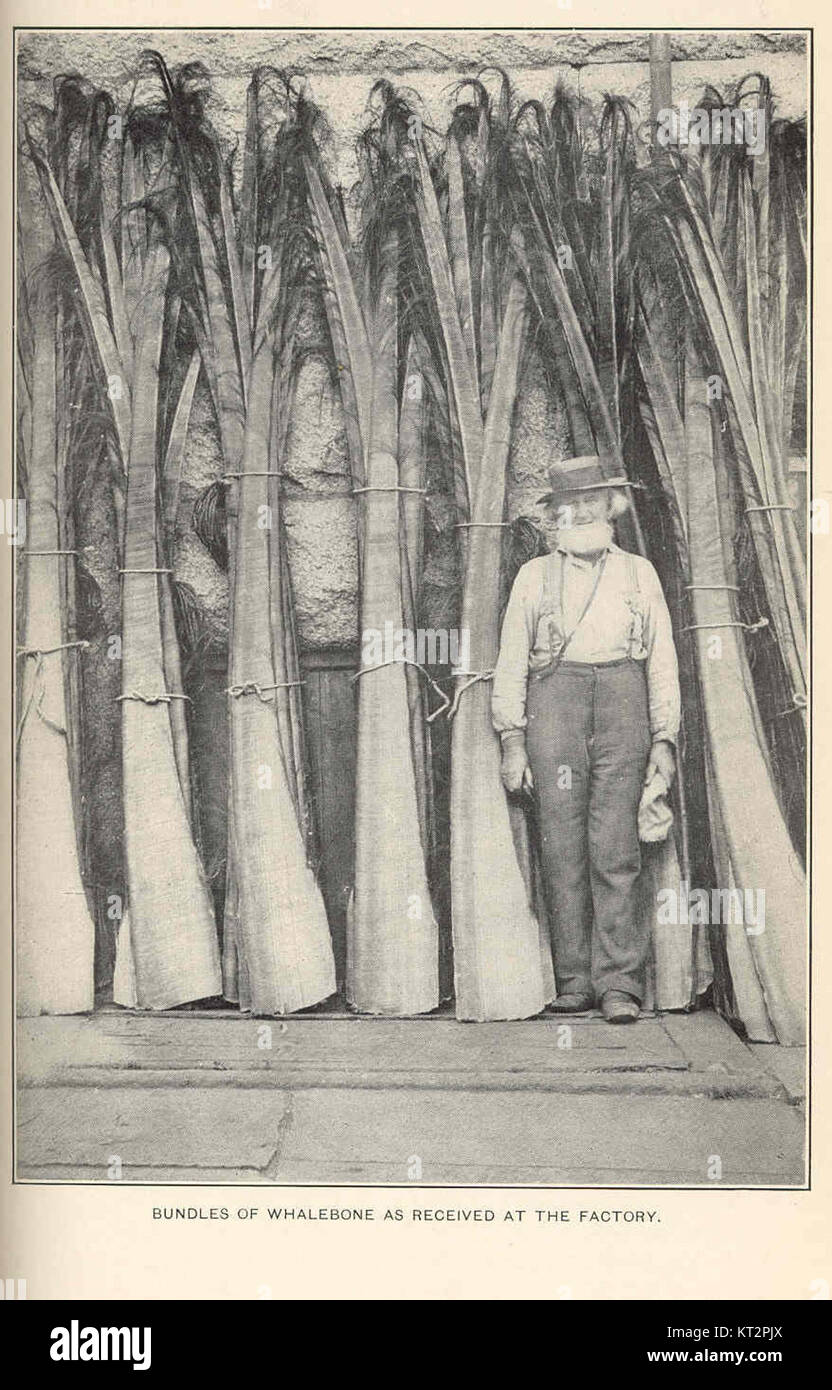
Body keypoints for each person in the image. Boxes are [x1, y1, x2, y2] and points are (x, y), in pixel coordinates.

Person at [491, 455, 681, 1023]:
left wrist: (664, 738)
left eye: (594, 501)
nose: (583, 511)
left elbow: (663, 662)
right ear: (556, 515)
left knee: (616, 847)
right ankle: (573, 978)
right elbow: (510, 664)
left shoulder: (639, 574)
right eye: (570, 504)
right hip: (555, 705)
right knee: (561, 842)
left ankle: (619, 984)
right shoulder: (533, 576)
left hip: (624, 704)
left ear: (612, 507)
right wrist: (512, 739)